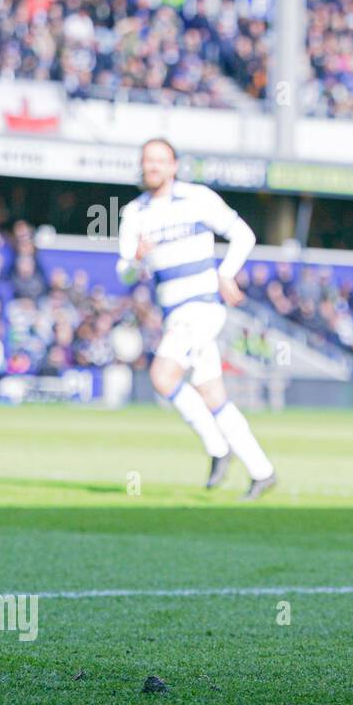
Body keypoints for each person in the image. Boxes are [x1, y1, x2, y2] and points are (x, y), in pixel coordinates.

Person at [117, 138, 277, 500]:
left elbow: (243, 234)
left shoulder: (197, 198)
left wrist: (226, 272)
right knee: (212, 394)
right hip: (174, 313)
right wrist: (136, 260)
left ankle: (218, 449)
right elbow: (124, 273)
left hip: (201, 307)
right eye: (147, 160)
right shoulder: (133, 213)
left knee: (162, 376)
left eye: (160, 160)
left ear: (174, 166)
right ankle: (262, 471)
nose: (153, 167)